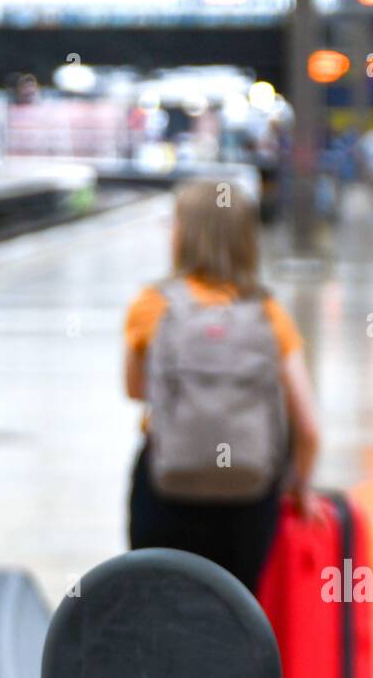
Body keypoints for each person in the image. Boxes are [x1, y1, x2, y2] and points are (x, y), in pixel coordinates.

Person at [123, 180, 319, 591]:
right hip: (248, 494)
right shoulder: (267, 313)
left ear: (186, 233)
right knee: (235, 615)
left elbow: (135, 389)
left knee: (160, 606)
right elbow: (309, 427)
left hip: (166, 484)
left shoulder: (152, 305)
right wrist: (299, 488)